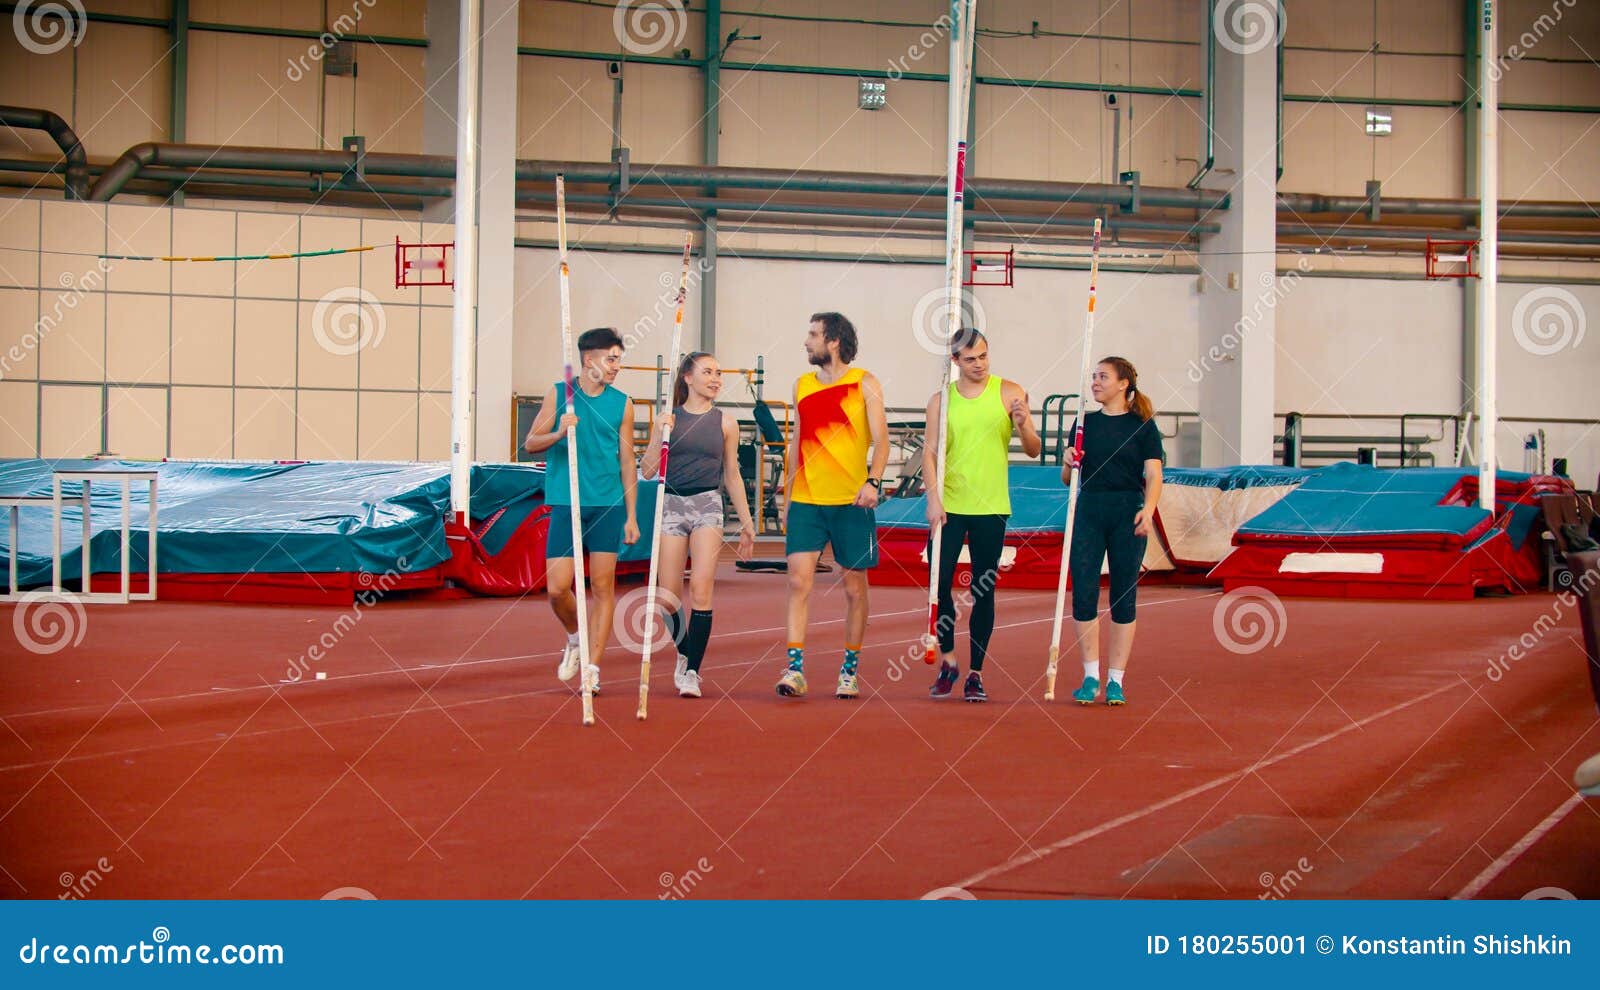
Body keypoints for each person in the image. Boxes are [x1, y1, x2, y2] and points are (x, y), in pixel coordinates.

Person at [922, 330, 1042, 703]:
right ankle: (948, 661)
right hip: (951, 506)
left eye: (984, 357)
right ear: (955, 361)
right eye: (971, 359)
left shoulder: (1010, 392)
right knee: (938, 586)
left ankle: (976, 672)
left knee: (982, 589)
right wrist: (933, 499)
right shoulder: (941, 401)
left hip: (990, 505)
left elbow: (1034, 449)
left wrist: (1023, 422)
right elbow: (929, 453)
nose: (980, 364)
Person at [777, 312, 889, 700]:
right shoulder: (801, 386)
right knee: (797, 582)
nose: (806, 342)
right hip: (808, 499)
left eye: (813, 335)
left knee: (855, 590)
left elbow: (883, 441)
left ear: (834, 341)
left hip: (851, 502)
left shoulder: (865, 383)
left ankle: (849, 670)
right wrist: (788, 494)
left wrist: (873, 481)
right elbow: (797, 442)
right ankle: (794, 669)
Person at [523, 327, 641, 695]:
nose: (616, 366)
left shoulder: (622, 403)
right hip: (566, 501)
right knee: (557, 589)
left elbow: (626, 460)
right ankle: (576, 637)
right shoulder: (560, 394)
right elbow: (530, 443)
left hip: (606, 504)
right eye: (611, 358)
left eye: (619, 359)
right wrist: (559, 432)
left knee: (603, 587)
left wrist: (632, 515)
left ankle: (592, 667)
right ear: (589, 360)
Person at [639, 351, 758, 698]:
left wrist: (748, 523)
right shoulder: (668, 419)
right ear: (687, 378)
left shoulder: (726, 423)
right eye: (708, 372)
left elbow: (732, 476)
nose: (716, 378)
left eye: (719, 372)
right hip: (671, 506)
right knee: (668, 597)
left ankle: (692, 670)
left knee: (702, 589)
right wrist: (657, 436)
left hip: (708, 504)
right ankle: (684, 651)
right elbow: (646, 471)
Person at [1062, 356, 1163, 706]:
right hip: (1089, 508)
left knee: (1123, 595)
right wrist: (1068, 461)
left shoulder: (1144, 426)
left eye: (1103, 377)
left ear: (1123, 384)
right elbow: (1067, 480)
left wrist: (1148, 510)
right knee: (1084, 593)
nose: (1095, 382)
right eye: (1093, 376)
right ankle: (1090, 677)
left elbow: (1153, 475)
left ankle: (1116, 680)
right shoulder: (1083, 423)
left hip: (1127, 512)